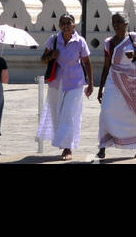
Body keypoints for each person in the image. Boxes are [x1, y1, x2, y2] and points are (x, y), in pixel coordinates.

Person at [36, 13, 93, 160]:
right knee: (56, 114)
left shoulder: (80, 41)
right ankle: (62, 142)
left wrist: (91, 84)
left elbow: (87, 62)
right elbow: (43, 59)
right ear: (59, 26)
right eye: (63, 23)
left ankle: (67, 148)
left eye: (69, 22)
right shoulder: (54, 40)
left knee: (68, 114)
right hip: (57, 82)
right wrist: (51, 56)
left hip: (75, 82)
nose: (66, 25)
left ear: (74, 24)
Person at [95, 13, 136, 159]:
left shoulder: (135, 38)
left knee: (135, 114)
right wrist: (100, 89)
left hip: (133, 82)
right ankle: (103, 145)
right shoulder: (108, 42)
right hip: (114, 78)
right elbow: (106, 66)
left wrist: (135, 55)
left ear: (127, 23)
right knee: (106, 110)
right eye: (114, 22)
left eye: (120, 21)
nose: (116, 24)